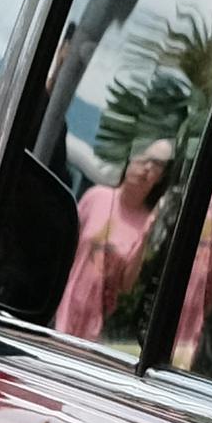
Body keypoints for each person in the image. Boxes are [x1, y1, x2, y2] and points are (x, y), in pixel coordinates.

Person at [57, 134, 176, 347]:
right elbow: (63, 251)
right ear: (131, 159)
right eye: (144, 159)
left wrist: (147, 234)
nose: (147, 168)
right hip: (59, 317)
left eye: (157, 165)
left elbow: (127, 285)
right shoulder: (96, 197)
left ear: (161, 177)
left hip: (94, 335)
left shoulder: (147, 223)